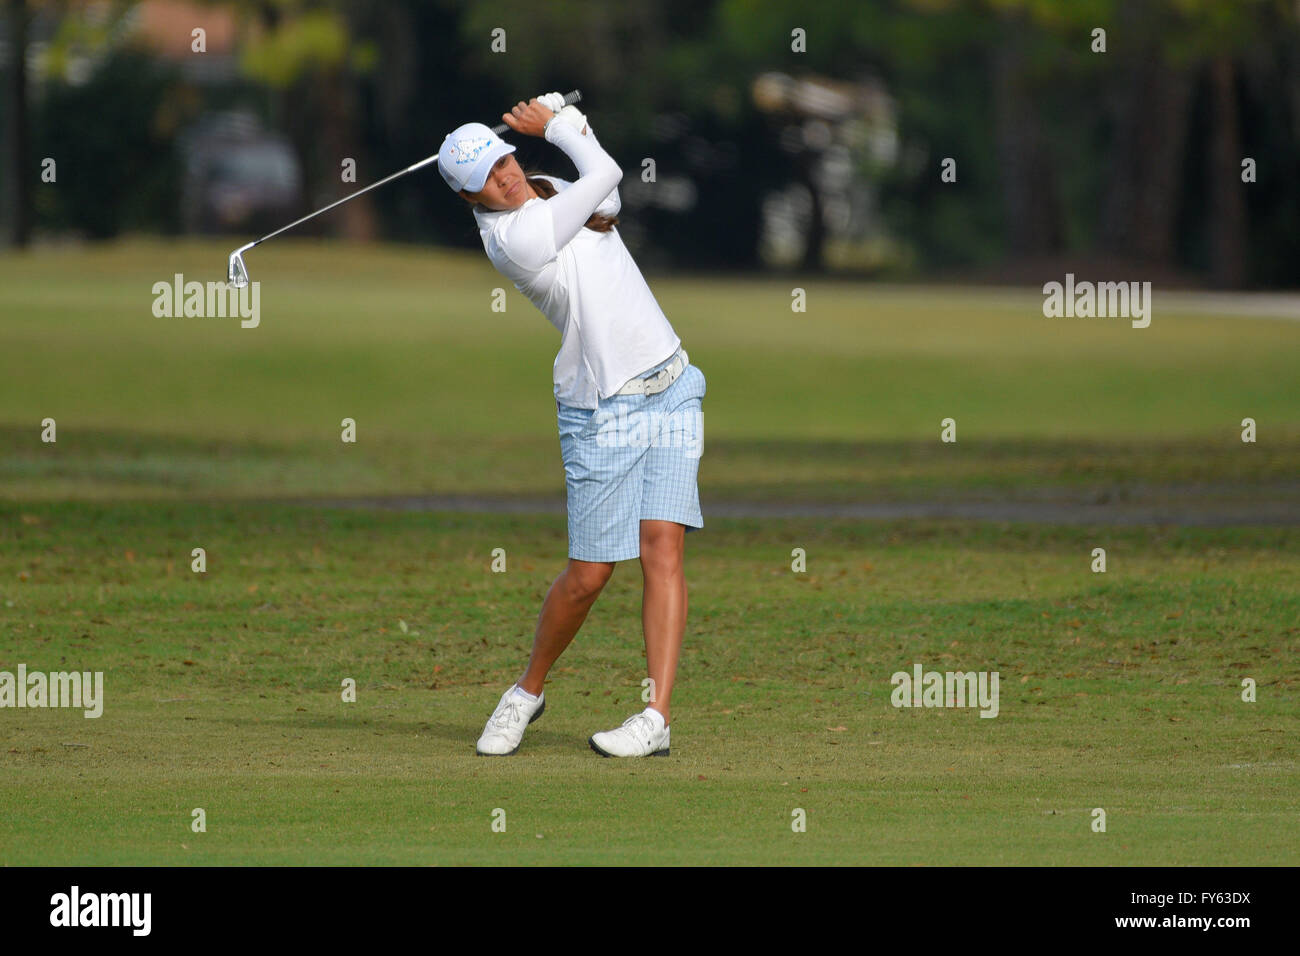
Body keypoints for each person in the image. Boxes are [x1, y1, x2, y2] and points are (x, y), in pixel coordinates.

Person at [436, 92, 706, 758]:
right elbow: (607, 177)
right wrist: (559, 123)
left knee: (662, 550)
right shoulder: (516, 239)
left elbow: (607, 195)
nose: (504, 179)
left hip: (672, 385)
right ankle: (526, 691)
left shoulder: (553, 188)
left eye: (503, 163)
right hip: (602, 410)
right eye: (487, 183)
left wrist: (573, 127)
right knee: (590, 574)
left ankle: (656, 718)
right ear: (472, 201)